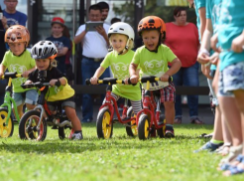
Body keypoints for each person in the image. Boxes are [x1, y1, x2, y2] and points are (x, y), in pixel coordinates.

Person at [129, 16, 182, 137]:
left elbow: (177, 63)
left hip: (164, 82)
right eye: (146, 38)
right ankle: (149, 125)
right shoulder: (140, 51)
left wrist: (167, 74)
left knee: (169, 102)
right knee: (147, 106)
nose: (149, 41)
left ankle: (169, 127)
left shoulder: (164, 50)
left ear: (160, 36)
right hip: (147, 83)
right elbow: (132, 65)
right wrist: (133, 74)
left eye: (153, 37)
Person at [210, 0, 244, 176]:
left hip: (241, 53)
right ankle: (238, 149)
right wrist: (219, 35)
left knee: (241, 103)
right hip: (227, 53)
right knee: (224, 96)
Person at [25, 40, 83, 140]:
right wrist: (28, 82)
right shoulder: (36, 72)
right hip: (50, 97)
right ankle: (40, 129)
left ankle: (78, 132)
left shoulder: (54, 70)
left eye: (44, 61)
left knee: (70, 112)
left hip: (64, 95)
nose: (41, 63)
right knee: (41, 110)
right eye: (38, 61)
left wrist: (57, 81)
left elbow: (64, 79)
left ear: (51, 60)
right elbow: (30, 78)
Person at [90, 22, 142, 118]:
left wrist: (134, 77)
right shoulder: (110, 55)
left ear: (129, 42)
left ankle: (142, 127)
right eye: (114, 40)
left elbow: (138, 69)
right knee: (106, 103)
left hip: (132, 89)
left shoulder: (133, 55)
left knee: (139, 113)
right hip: (117, 88)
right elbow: (101, 67)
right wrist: (95, 77)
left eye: (120, 41)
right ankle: (104, 120)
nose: (117, 44)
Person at [164, 7, 202, 124]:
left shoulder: (192, 27)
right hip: (173, 64)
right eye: (180, 15)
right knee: (174, 91)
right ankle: (177, 116)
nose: (183, 17)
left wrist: (200, 55)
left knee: (193, 88)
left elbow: (199, 43)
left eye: (184, 15)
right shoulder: (167, 27)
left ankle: (194, 116)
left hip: (191, 63)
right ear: (175, 16)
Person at [74, 4, 110, 123]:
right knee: (87, 90)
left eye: (96, 15)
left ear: (101, 15)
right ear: (89, 15)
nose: (94, 18)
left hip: (104, 62)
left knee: (106, 90)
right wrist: (86, 30)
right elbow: (75, 41)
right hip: (87, 62)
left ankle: (105, 117)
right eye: (92, 15)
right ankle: (87, 117)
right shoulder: (83, 27)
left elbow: (113, 45)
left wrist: (104, 34)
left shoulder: (108, 27)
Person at [0, 25, 38, 118]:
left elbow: (37, 67)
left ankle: (38, 126)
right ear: (8, 44)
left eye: (19, 44)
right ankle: (24, 126)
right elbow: (3, 64)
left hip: (30, 85)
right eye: (12, 45)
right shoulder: (8, 54)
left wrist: (29, 71)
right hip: (17, 88)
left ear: (26, 43)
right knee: (16, 110)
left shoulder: (29, 54)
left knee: (30, 106)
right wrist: (1, 71)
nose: (16, 48)